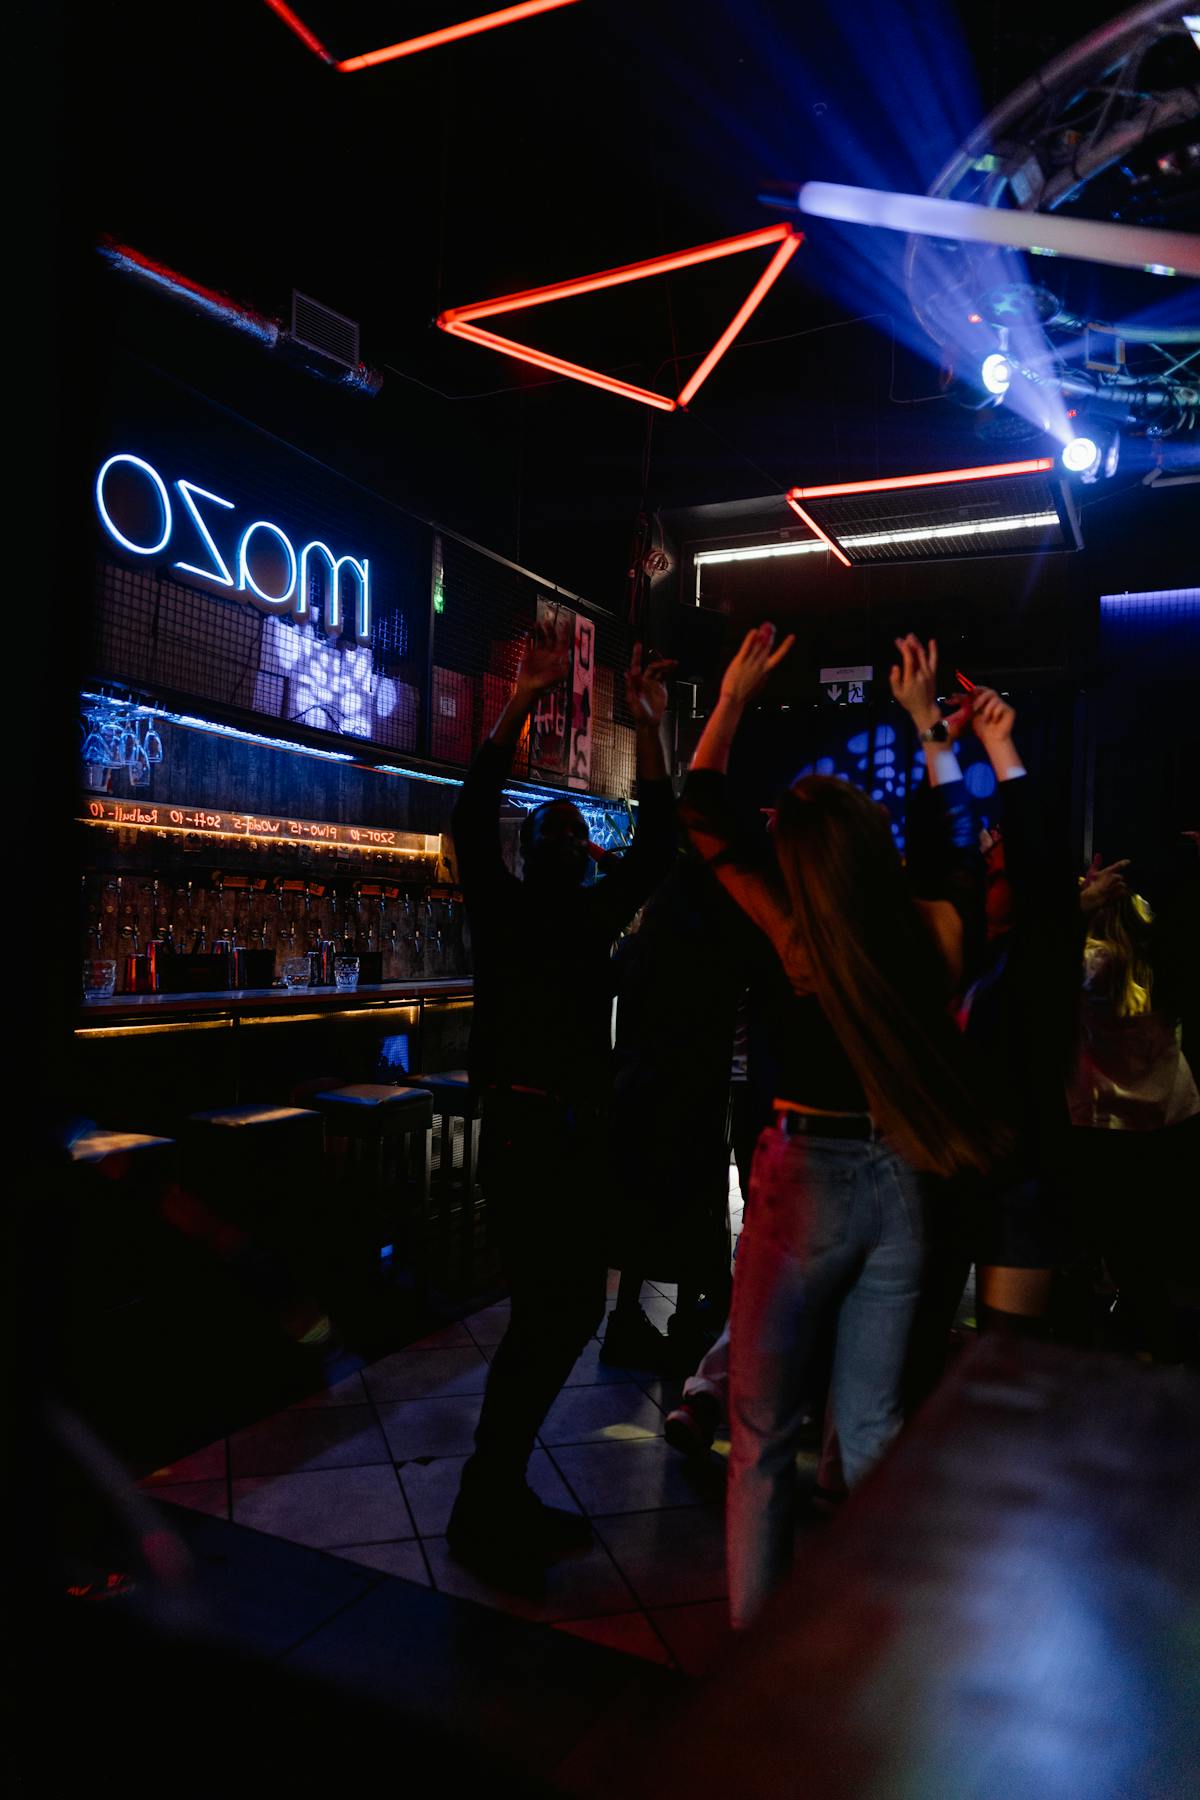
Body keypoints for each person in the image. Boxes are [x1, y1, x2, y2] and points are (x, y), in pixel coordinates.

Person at [681, 624, 1004, 1629]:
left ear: (799, 856)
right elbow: (954, 852)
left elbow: (700, 811)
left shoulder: (791, 931)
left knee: (764, 1435)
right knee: (870, 1430)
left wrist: (730, 702)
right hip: (901, 1179)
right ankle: (876, 1653)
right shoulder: (929, 934)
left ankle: (759, 1665)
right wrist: (928, 731)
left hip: (804, 1179)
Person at [445, 625, 677, 1584]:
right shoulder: (588, 919)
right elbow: (657, 843)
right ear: (580, 857)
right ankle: (487, 1495)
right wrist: (653, 725)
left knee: (551, 1313)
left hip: (517, 1127)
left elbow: (469, 818)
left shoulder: (502, 914)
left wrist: (522, 698)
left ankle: (492, 1489)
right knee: (560, 1311)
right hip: (567, 1135)